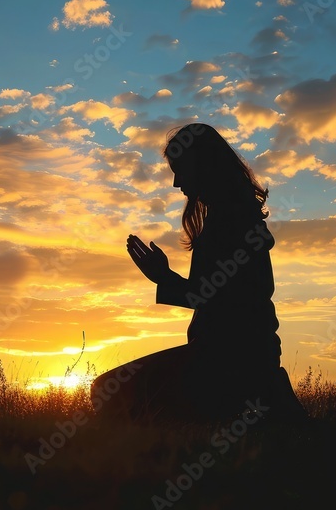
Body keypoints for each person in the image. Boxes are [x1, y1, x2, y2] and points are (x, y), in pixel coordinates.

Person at [92, 123, 307, 424]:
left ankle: (262, 397)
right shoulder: (232, 215)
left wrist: (163, 277)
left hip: (229, 358)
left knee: (107, 391)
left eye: (180, 170)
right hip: (232, 354)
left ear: (205, 165)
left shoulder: (231, 220)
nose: (176, 183)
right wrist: (163, 276)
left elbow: (215, 297)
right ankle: (264, 398)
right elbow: (213, 293)